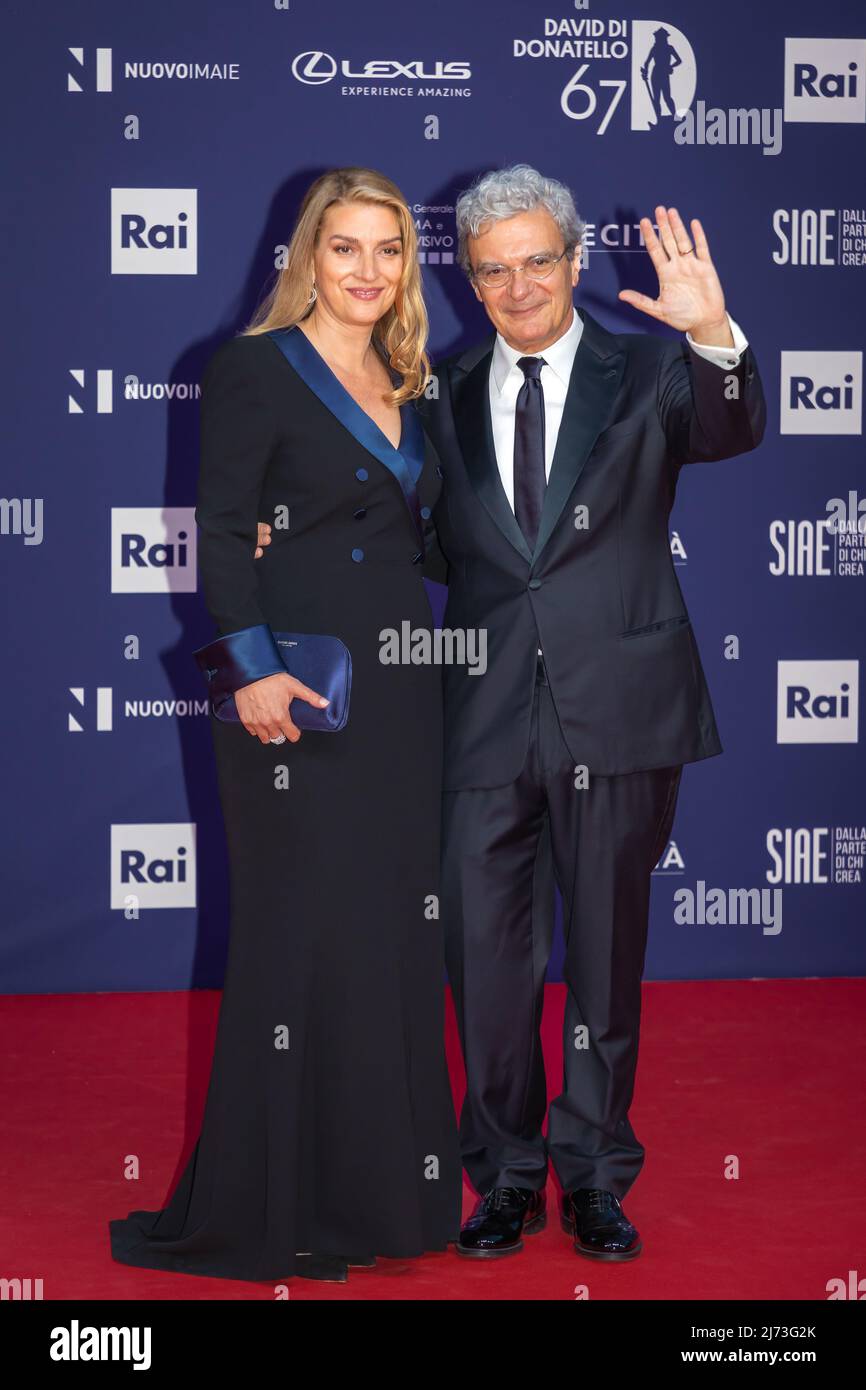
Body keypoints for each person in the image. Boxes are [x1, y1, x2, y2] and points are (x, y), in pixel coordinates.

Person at [109, 167, 462, 1285]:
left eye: (389, 250)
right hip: (296, 688)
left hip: (401, 692)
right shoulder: (252, 368)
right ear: (305, 255)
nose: (367, 270)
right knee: (297, 931)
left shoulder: (416, 381)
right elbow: (218, 530)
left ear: (409, 266)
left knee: (386, 934)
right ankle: (282, 1202)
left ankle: (381, 1200)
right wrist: (248, 667)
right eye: (345, 247)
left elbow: (434, 541)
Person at [425, 166, 766, 1261]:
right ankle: (505, 1176)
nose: (516, 285)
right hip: (480, 715)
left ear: (574, 260)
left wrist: (713, 332)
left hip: (616, 712)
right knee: (485, 964)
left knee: (606, 959)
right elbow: (423, 540)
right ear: (468, 281)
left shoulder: (650, 374)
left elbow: (729, 429)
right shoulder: (438, 386)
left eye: (536, 259)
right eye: (490, 269)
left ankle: (595, 1173)